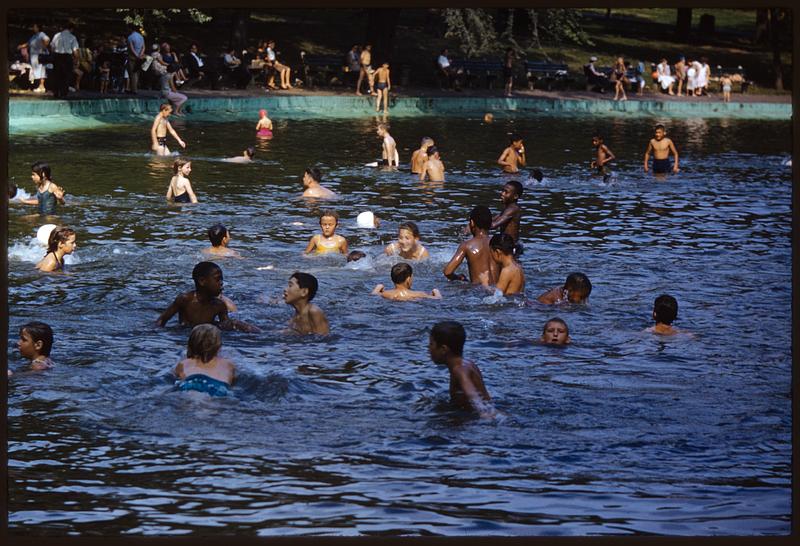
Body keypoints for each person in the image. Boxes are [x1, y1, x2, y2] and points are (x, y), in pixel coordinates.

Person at [157, 261, 258, 331]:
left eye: (221, 280)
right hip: (185, 336)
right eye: (217, 279)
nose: (221, 283)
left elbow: (225, 326)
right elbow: (162, 320)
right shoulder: (185, 299)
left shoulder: (219, 305)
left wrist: (241, 326)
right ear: (202, 281)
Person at [428, 321, 495, 419]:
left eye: (431, 344)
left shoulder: (459, 370)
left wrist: (484, 411)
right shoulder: (468, 363)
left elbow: (472, 393)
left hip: (473, 420)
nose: (429, 348)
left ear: (443, 349)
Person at [173, 324, 235, 397]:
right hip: (217, 387)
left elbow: (176, 377)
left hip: (190, 383)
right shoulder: (228, 364)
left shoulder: (183, 363)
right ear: (218, 346)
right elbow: (231, 381)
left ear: (190, 345)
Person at [443, 205, 498, 287]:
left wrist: (459, 278)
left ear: (472, 223)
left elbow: (448, 271)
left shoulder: (467, 245)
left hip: (478, 292)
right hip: (498, 290)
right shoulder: (498, 242)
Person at [372, 263, 442, 301]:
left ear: (392, 278)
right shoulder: (419, 294)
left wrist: (379, 287)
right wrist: (436, 291)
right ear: (408, 279)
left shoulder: (386, 294)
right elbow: (438, 298)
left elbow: (374, 294)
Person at [50, 21, 79, 98]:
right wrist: (76, 59)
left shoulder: (57, 35)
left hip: (57, 56)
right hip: (67, 57)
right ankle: (63, 93)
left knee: (57, 75)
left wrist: (54, 55)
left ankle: (56, 92)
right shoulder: (72, 37)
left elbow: (52, 47)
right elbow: (75, 50)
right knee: (66, 75)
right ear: (71, 29)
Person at [490, 180, 523, 244]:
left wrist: (475, 226)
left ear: (515, 196)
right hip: (509, 244)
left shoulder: (512, 209)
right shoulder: (508, 208)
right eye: (502, 191)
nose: (502, 193)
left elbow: (493, 225)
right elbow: (492, 220)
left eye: (506, 192)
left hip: (511, 247)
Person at [24, 23, 50, 93]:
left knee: (42, 71)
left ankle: (42, 86)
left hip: (40, 56)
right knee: (36, 71)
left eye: (35, 27)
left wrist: (43, 47)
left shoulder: (41, 34)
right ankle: (38, 86)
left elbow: (47, 40)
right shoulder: (34, 36)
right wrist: (21, 46)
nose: (33, 28)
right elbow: (28, 43)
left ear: (38, 28)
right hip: (34, 57)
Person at [126, 24, 145, 94]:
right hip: (140, 57)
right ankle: (135, 88)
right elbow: (143, 47)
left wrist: (136, 56)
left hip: (132, 57)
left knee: (132, 73)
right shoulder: (140, 36)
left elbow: (131, 49)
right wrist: (140, 55)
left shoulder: (130, 37)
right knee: (137, 73)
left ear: (130, 29)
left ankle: (134, 90)